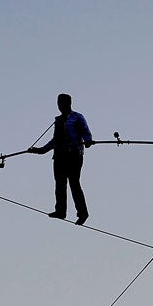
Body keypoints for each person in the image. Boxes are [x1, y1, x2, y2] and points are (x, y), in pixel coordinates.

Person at [29, 93, 93, 224]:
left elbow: (86, 132)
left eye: (62, 103)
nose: (60, 106)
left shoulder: (77, 117)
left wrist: (88, 141)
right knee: (60, 184)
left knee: (74, 183)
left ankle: (82, 213)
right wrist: (40, 150)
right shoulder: (58, 121)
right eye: (59, 104)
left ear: (69, 103)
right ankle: (61, 211)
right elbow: (55, 141)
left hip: (74, 155)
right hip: (59, 156)